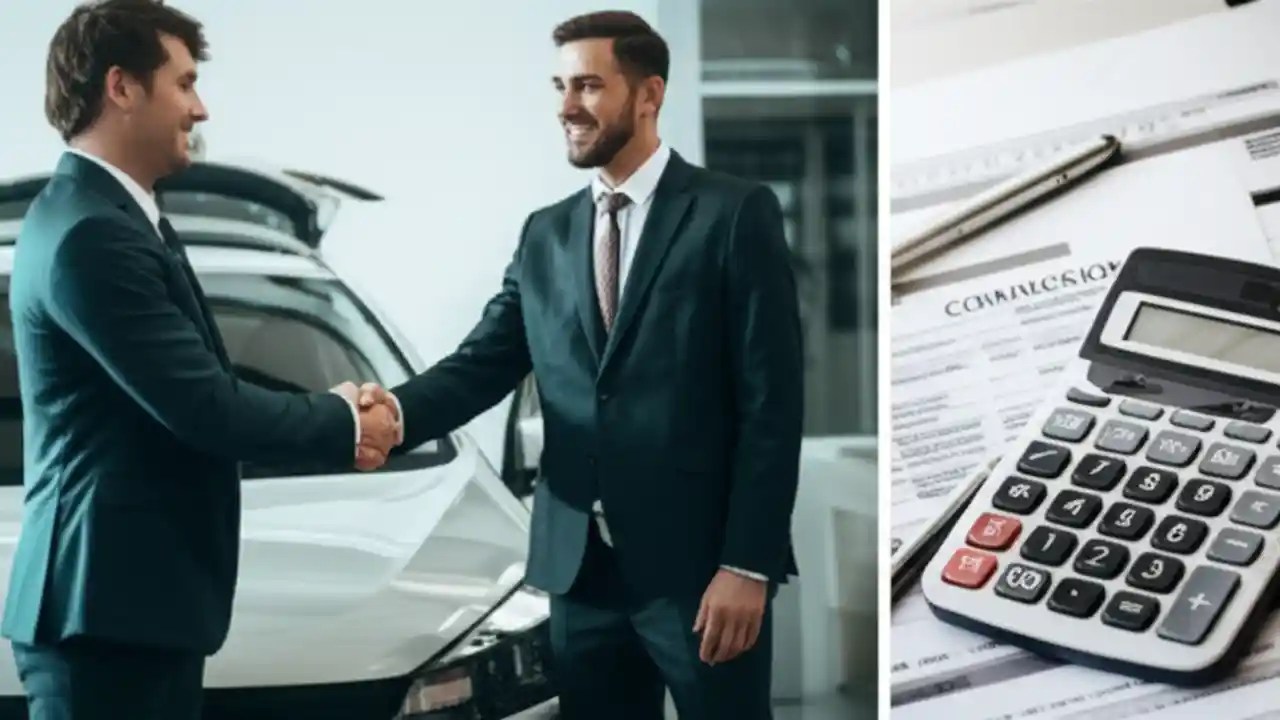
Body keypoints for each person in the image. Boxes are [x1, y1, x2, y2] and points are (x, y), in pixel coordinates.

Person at [360, 10, 803, 718]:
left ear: (649, 94)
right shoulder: (546, 232)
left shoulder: (733, 215)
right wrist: (392, 415)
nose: (567, 106)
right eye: (560, 86)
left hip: (701, 572)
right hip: (581, 575)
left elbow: (771, 406)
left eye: (589, 85)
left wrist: (747, 564)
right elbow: (482, 363)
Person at [2, 2, 401, 718]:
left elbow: (193, 384)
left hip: (126, 608)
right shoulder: (93, 234)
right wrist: (343, 420)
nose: (200, 107)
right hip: (105, 614)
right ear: (122, 87)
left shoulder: (103, 215)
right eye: (184, 83)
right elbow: (203, 406)